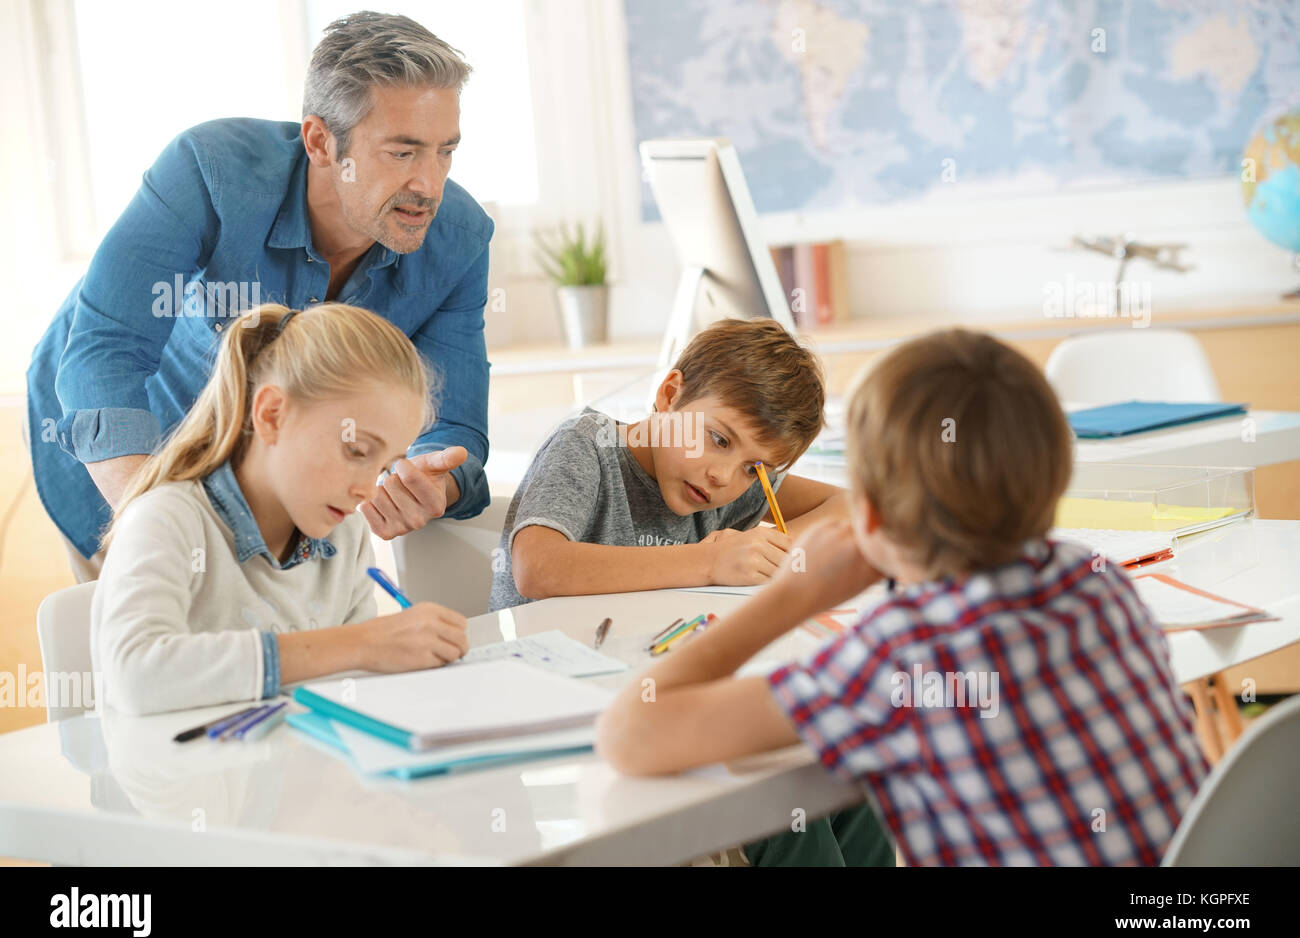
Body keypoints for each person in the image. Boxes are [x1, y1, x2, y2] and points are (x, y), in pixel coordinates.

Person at [597, 328, 1210, 866]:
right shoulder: (1097, 583)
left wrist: (791, 597)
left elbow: (629, 735)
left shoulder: (903, 654)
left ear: (869, 509)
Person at [26, 12, 492, 583]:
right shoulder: (209, 172)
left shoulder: (461, 239)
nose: (430, 185)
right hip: (130, 439)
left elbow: (455, 427)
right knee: (156, 645)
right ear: (321, 142)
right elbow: (105, 355)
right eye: (402, 153)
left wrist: (430, 480)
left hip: (281, 473)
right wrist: (158, 527)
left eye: (446, 151)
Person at [91, 303, 468, 716]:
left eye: (382, 467)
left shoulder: (345, 535)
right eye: (356, 450)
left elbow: (353, 687)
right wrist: (363, 644)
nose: (366, 489)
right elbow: (136, 675)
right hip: (172, 774)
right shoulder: (167, 521)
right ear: (272, 414)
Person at [490, 318, 847, 611]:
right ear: (670, 395)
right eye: (719, 439)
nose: (723, 476)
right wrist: (710, 563)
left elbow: (851, 505)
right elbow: (537, 568)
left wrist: (762, 555)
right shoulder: (587, 446)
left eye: (754, 468)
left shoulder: (728, 482)